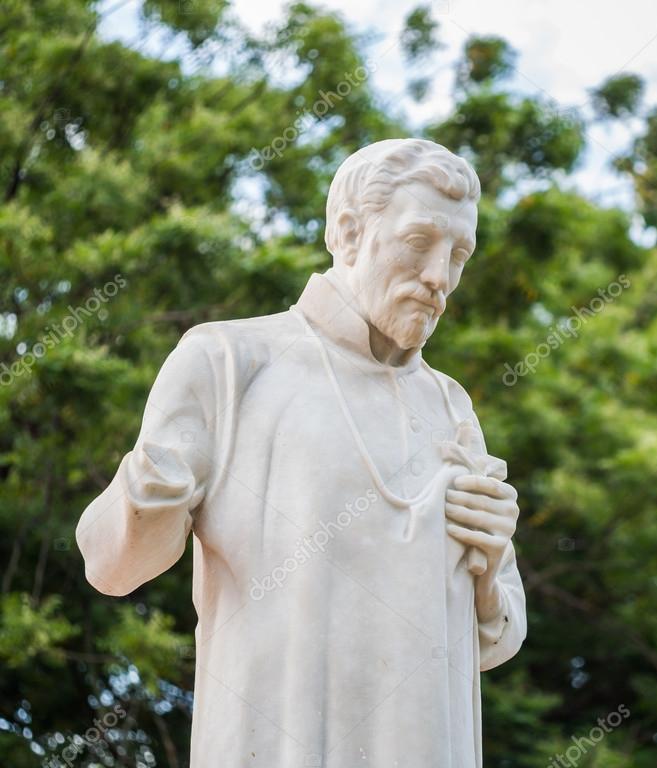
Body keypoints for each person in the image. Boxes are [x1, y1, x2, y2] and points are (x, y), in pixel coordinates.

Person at [76, 138, 527, 767]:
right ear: (347, 231)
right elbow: (113, 567)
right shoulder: (230, 361)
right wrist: (150, 489)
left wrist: (490, 555)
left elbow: (497, 637)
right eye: (419, 242)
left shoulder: (451, 408)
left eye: (458, 254)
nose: (438, 277)